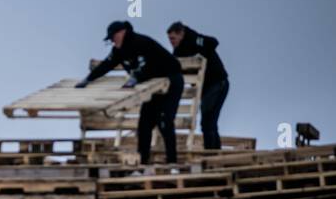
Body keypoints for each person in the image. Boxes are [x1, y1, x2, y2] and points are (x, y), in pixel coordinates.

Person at [76, 20, 184, 164]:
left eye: (113, 38)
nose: (113, 42)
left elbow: (146, 66)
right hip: (152, 86)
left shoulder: (140, 43)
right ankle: (143, 162)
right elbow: (106, 65)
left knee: (164, 120)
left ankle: (172, 163)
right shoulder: (118, 50)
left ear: (122, 33)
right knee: (144, 124)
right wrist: (87, 79)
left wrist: (134, 79)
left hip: (171, 80)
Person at [167, 21, 229, 149]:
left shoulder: (194, 38)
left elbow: (213, 42)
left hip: (217, 83)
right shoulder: (178, 51)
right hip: (206, 88)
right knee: (209, 121)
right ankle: (214, 152)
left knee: (207, 121)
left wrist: (200, 55)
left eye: (173, 38)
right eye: (169, 39)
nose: (171, 42)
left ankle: (211, 153)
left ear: (181, 34)